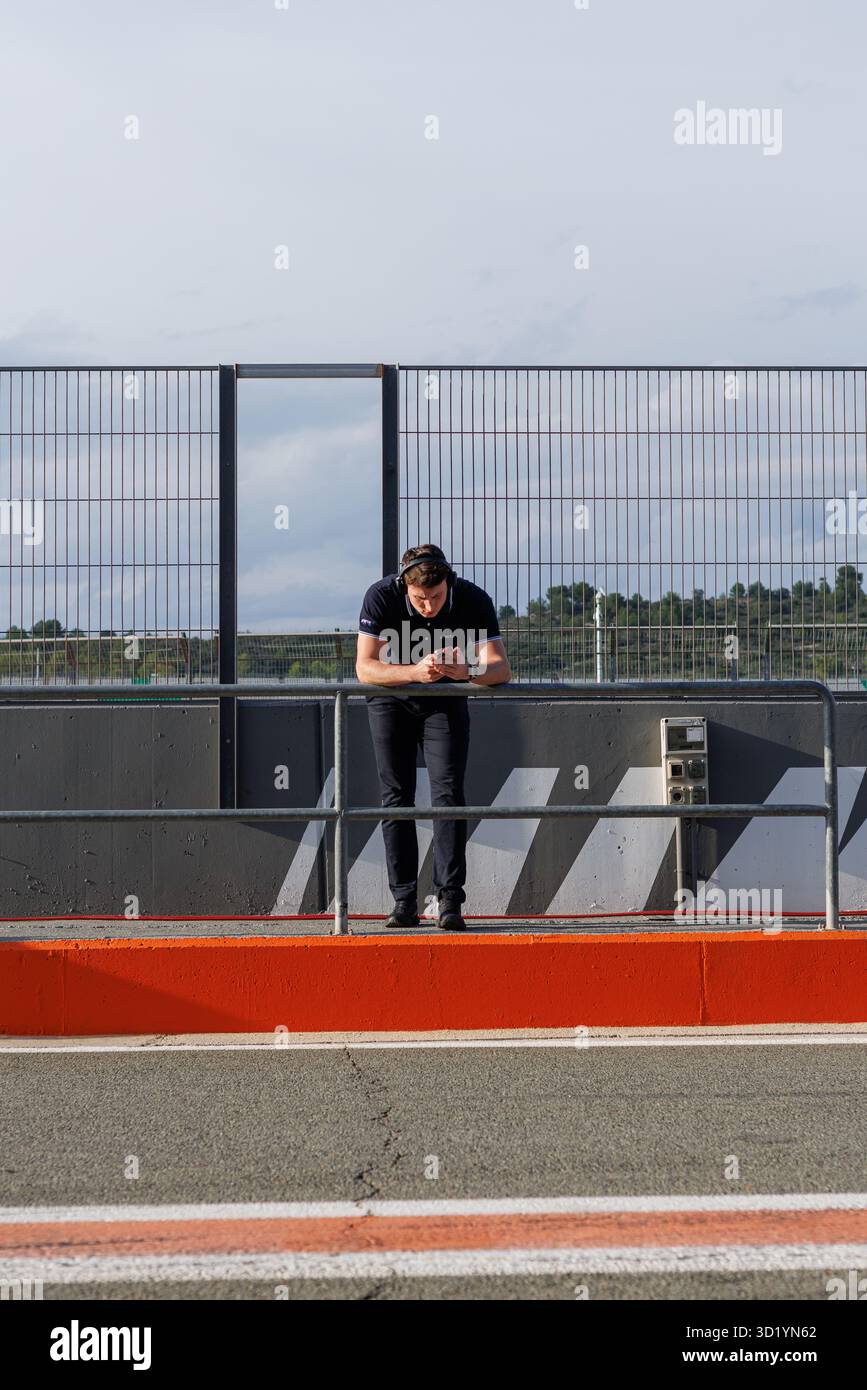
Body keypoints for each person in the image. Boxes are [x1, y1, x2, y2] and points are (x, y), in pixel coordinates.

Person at [355, 544, 512, 930]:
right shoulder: (380, 596)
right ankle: (404, 901)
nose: (429, 607)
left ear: (449, 583)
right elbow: (365, 668)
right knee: (396, 796)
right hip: (391, 702)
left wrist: (467, 670)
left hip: (445, 702)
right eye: (420, 599)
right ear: (404, 587)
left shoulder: (473, 598)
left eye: (437, 597)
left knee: (448, 793)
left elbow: (501, 668)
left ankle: (449, 902)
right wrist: (414, 671)